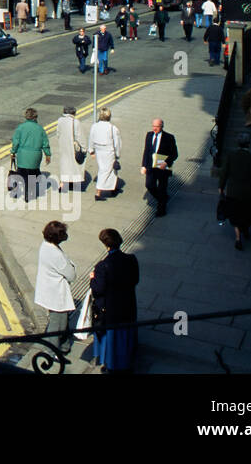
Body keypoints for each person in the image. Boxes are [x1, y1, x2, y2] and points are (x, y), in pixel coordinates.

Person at [89, 228, 139, 373]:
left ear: (106, 245)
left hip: (111, 310)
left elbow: (98, 289)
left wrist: (92, 279)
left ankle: (112, 365)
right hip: (128, 306)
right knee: (125, 338)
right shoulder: (132, 259)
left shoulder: (102, 266)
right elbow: (135, 280)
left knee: (112, 341)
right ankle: (126, 361)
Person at [35, 220, 77, 354]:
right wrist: (71, 265)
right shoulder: (57, 255)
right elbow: (72, 275)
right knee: (57, 324)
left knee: (62, 321)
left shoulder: (45, 245)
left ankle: (64, 345)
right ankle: (50, 351)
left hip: (48, 289)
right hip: (56, 294)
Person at [218, 137, 251, 250]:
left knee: (235, 215)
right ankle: (246, 228)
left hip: (234, 192)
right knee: (246, 213)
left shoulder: (231, 156)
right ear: (248, 145)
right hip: (249, 193)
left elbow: (224, 173)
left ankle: (238, 238)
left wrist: (221, 187)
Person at [10, 107, 51, 203]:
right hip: (35, 155)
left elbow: (15, 142)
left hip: (23, 155)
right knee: (32, 173)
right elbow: (45, 143)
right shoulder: (40, 129)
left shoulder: (20, 128)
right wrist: (48, 155)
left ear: (26, 116)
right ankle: (29, 192)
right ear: (35, 117)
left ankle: (19, 187)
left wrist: (13, 152)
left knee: (22, 173)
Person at [140, 117, 178, 217]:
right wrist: (143, 165)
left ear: (161, 127)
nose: (154, 129)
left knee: (162, 188)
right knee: (149, 185)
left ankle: (161, 209)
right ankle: (162, 198)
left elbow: (174, 154)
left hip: (162, 168)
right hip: (150, 167)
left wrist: (166, 163)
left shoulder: (169, 138)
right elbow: (146, 151)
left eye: (156, 127)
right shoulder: (149, 135)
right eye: (153, 126)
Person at [88, 106, 122, 199]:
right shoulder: (113, 128)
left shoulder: (94, 126)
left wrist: (91, 150)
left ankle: (111, 188)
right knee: (106, 171)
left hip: (99, 150)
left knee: (108, 170)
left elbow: (91, 138)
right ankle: (98, 192)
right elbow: (117, 143)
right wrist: (118, 154)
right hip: (108, 152)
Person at [51, 104, 84, 193]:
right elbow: (80, 137)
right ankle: (74, 184)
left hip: (63, 146)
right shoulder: (76, 122)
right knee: (75, 166)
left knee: (65, 166)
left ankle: (63, 185)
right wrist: (84, 148)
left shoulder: (60, 120)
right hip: (73, 148)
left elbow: (58, 133)